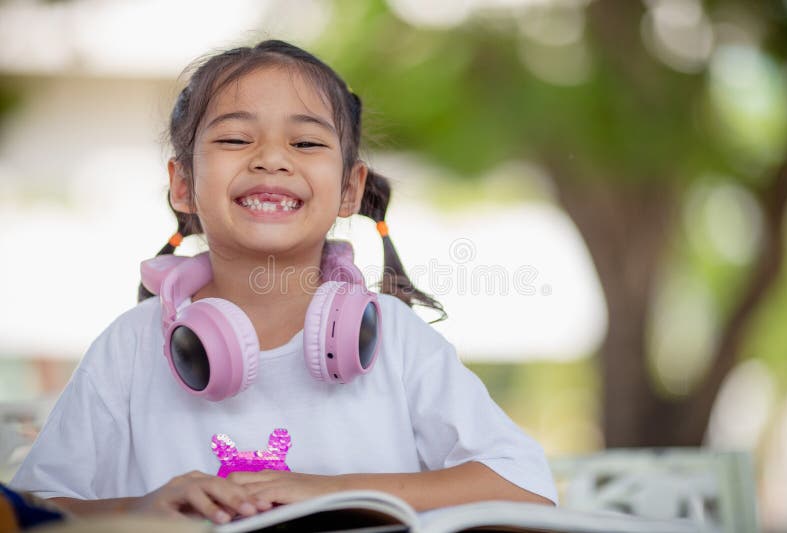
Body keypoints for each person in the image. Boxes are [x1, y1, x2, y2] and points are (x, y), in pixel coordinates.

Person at [10, 40, 557, 524]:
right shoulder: (129, 347)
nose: (271, 158)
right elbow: (27, 508)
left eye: (306, 144)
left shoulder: (400, 342)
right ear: (182, 185)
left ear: (350, 188)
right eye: (234, 139)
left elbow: (526, 487)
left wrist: (335, 493)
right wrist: (141, 507)